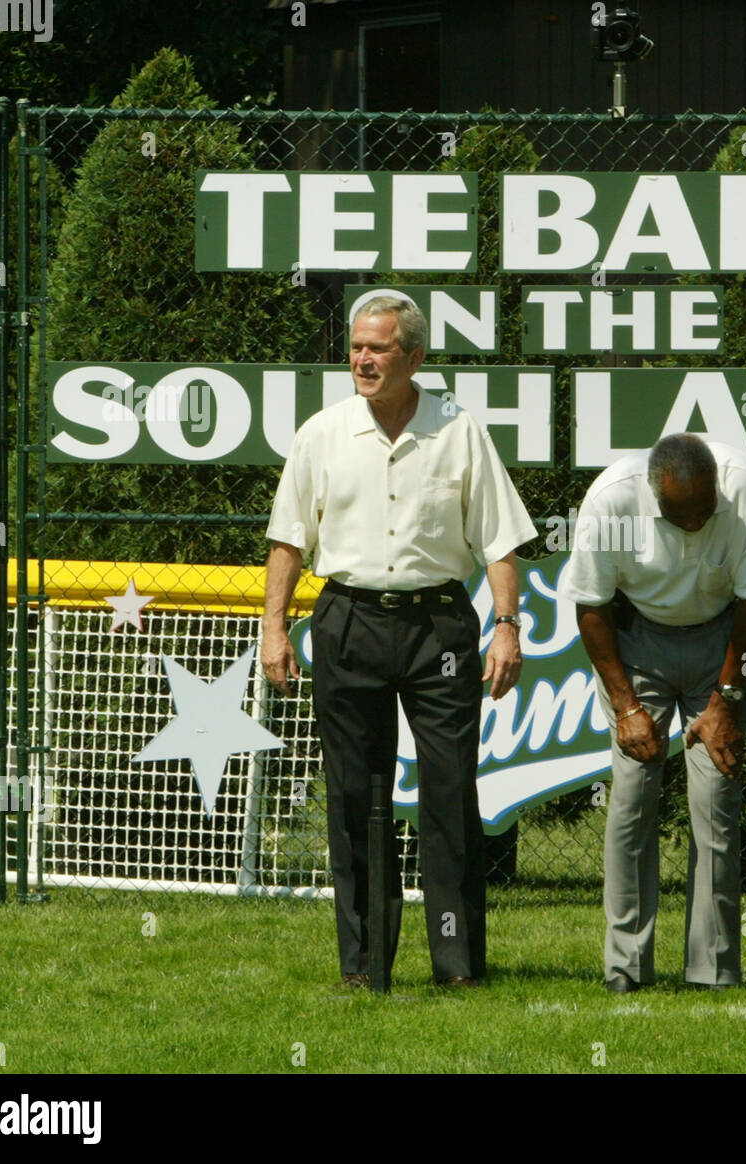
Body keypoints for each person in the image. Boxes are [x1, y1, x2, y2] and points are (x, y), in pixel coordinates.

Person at [261, 293, 537, 988]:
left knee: (449, 791)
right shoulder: (321, 433)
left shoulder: (460, 431)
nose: (362, 359)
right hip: (346, 620)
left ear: (413, 358)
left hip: (439, 626)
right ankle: (363, 967)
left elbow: (500, 540)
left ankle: (457, 962)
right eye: (356, 346)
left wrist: (507, 625)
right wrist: (274, 625)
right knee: (354, 796)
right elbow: (289, 539)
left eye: (378, 348)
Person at [560, 432, 746, 992]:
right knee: (632, 800)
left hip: (724, 643)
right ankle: (626, 968)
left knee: (716, 804)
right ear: (655, 498)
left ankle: (712, 971)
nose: (694, 525)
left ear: (717, 489)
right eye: (678, 516)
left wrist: (726, 702)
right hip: (638, 644)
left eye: (704, 513)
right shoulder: (612, 498)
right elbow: (590, 605)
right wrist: (626, 705)